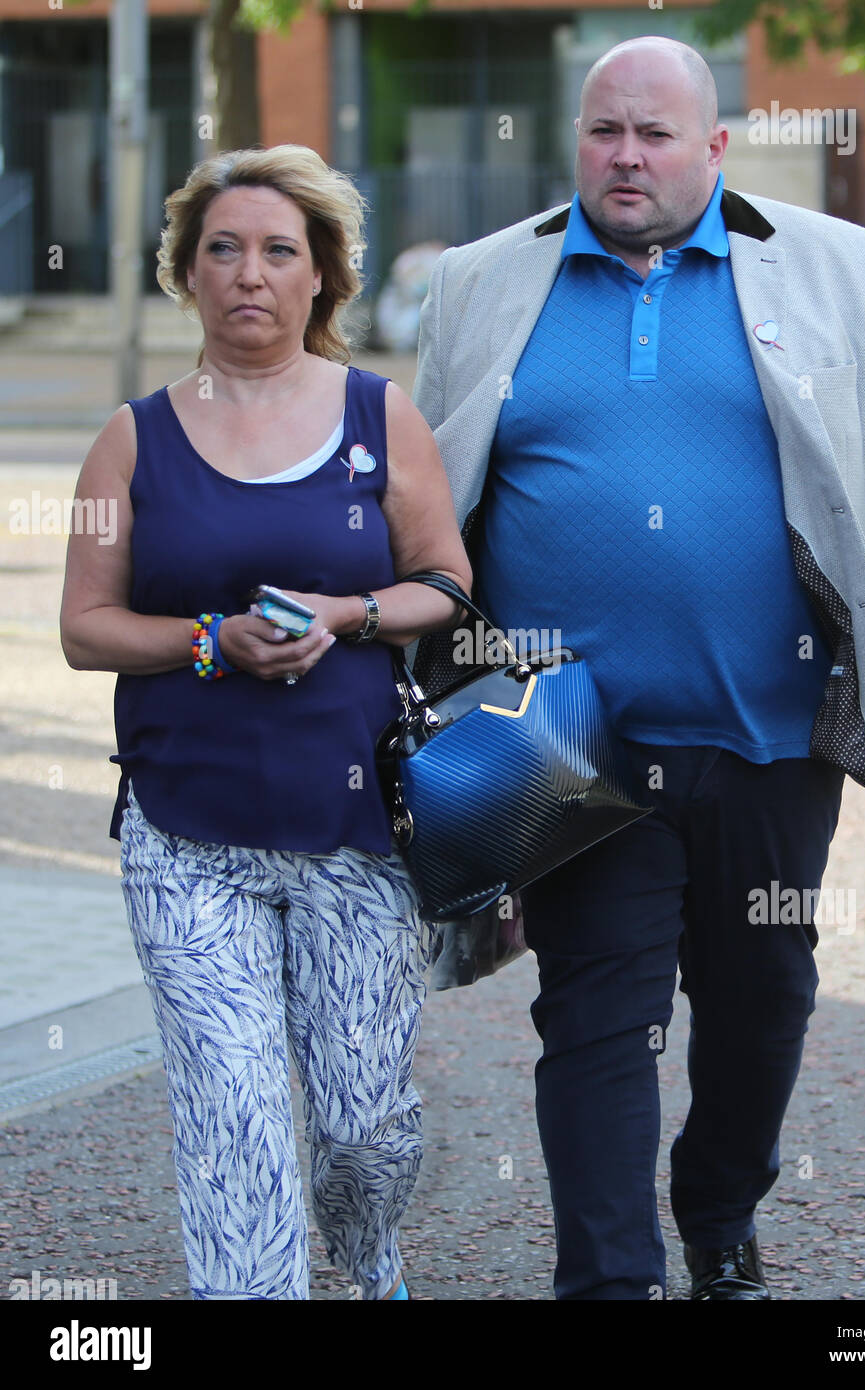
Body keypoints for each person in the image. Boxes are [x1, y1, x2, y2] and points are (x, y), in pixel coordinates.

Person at [412, 38, 865, 1299]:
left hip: (771, 738)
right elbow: (428, 517)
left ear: (714, 148)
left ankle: (720, 1206)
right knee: (595, 1023)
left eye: (656, 135)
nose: (626, 156)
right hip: (567, 748)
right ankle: (612, 1281)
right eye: (604, 131)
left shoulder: (857, 274)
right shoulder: (479, 283)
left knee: (761, 1001)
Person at [60, 144, 471, 1301]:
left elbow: (445, 584)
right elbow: (86, 626)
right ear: (186, 274)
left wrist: (347, 611)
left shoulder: (380, 418)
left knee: (365, 1123)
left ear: (323, 277)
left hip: (360, 834)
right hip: (188, 833)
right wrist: (209, 638)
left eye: (279, 251)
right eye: (223, 249)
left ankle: (372, 1257)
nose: (250, 272)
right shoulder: (130, 438)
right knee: (235, 1110)